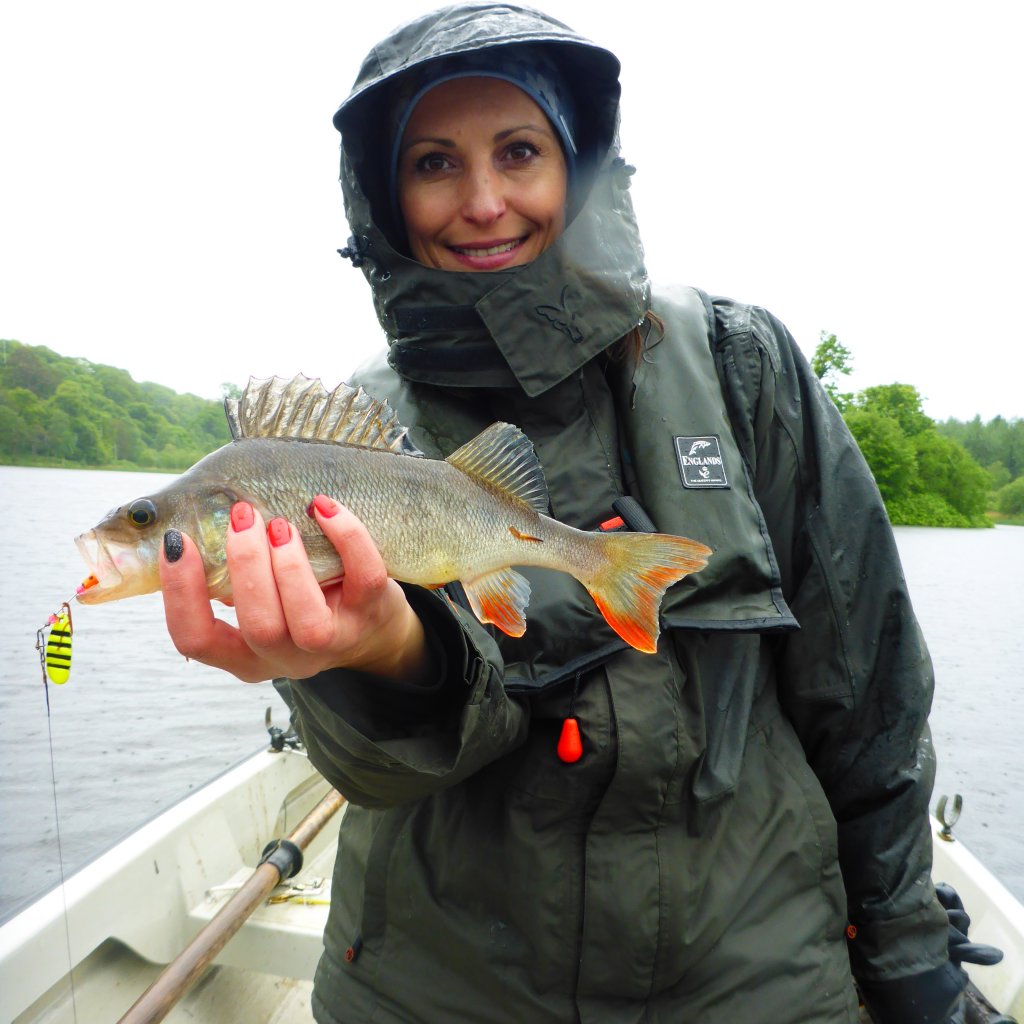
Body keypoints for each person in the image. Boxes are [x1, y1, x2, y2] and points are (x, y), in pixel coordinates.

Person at [159, 4, 988, 1022]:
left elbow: (867, 691)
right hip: (434, 990)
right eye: (432, 163)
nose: (482, 201)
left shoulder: (740, 364)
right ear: (385, 192)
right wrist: (373, 659)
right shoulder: (362, 434)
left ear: (579, 161)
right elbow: (388, 771)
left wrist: (903, 946)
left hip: (752, 979)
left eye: (519, 150)